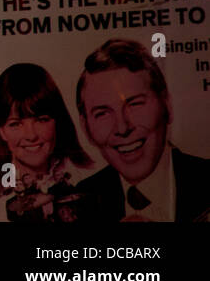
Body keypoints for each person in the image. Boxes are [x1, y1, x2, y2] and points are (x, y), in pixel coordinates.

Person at [74, 39, 210, 221]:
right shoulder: (80, 202)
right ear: (86, 127)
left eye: (135, 104)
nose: (122, 128)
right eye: (102, 113)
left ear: (167, 105)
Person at [0, 63, 92, 222]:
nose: (31, 135)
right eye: (15, 124)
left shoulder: (86, 180)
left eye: (41, 120)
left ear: (57, 122)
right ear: (1, 131)